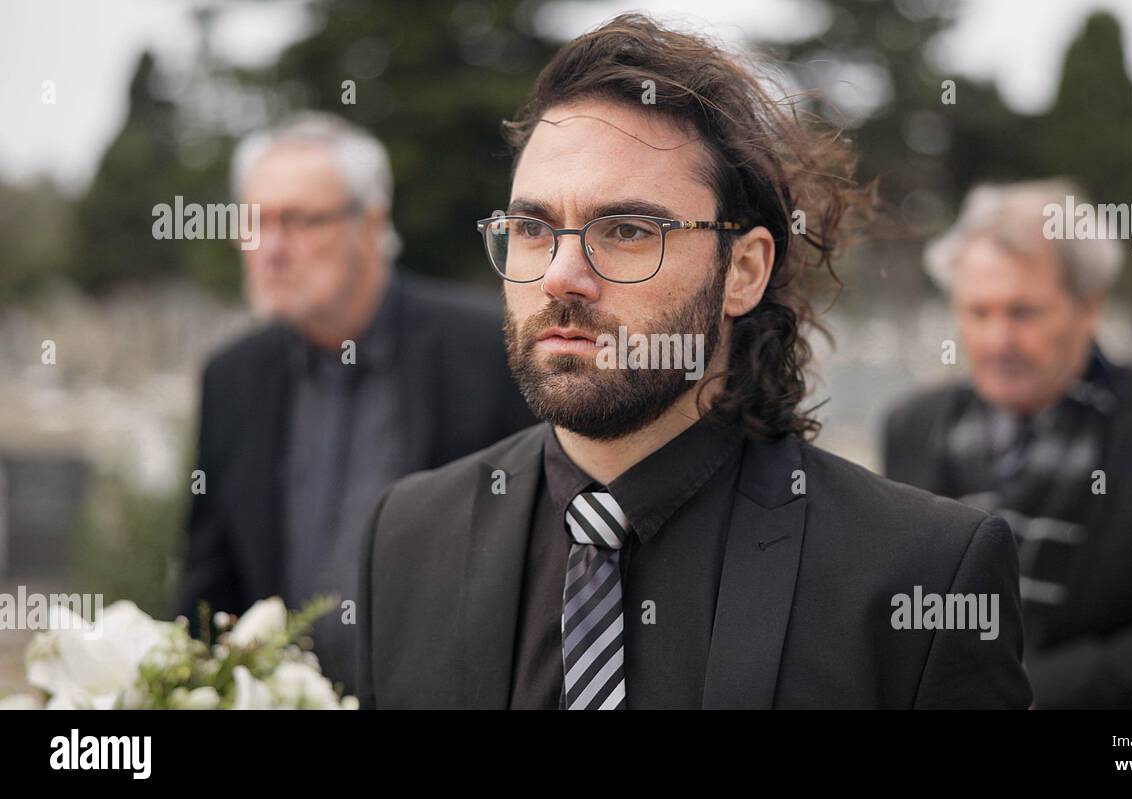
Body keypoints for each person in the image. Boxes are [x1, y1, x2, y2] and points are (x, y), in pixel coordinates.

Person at [356, 15, 1032, 709]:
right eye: (532, 228)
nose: (561, 274)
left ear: (743, 270)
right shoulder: (409, 537)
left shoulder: (922, 571)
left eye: (625, 230)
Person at [178, 112, 535, 694]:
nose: (269, 249)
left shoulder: (488, 349)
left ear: (372, 224)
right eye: (253, 222)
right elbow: (206, 579)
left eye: (298, 221)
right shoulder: (232, 376)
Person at [884, 179, 1132, 708]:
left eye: (1023, 312)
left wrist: (1032, 692)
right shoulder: (911, 425)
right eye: (978, 312)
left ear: (1089, 306)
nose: (998, 341)